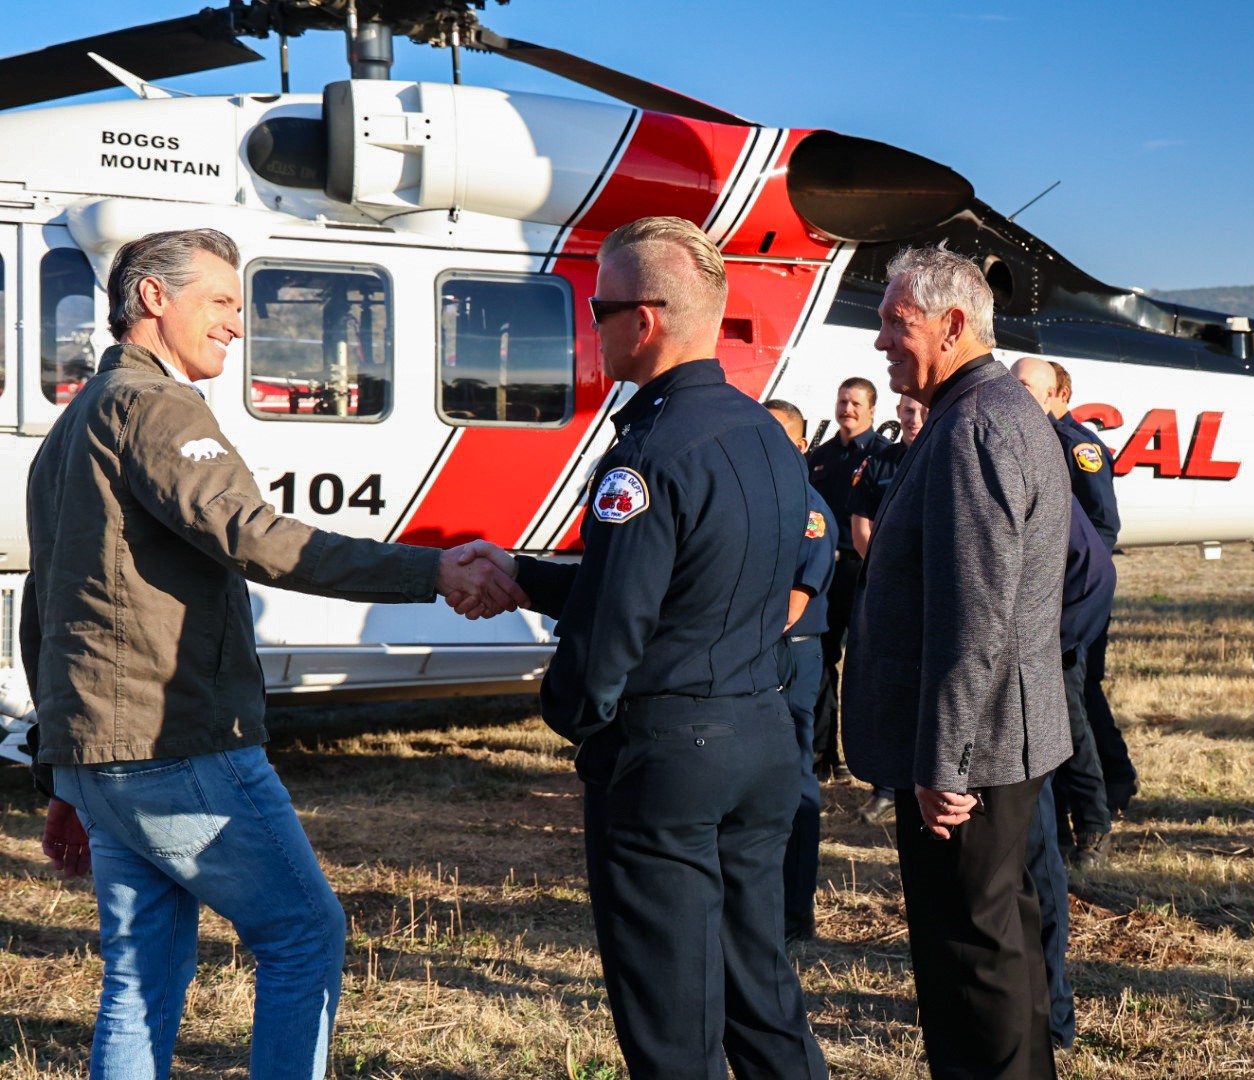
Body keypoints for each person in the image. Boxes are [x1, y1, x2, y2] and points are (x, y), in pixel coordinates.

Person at [20, 228, 520, 1079]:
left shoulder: (76, 422)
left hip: (105, 753)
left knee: (142, 975)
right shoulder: (154, 407)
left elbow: (47, 603)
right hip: (174, 740)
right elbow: (255, 535)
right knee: (302, 936)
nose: (236, 325)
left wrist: (64, 766)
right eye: (220, 301)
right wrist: (430, 569)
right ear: (153, 299)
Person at [460, 217, 827, 1079]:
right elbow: (686, 581)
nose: (592, 325)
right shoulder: (767, 438)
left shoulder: (647, 454)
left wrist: (577, 718)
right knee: (761, 1000)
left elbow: (613, 628)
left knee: (671, 1026)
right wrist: (523, 572)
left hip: (669, 758)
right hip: (762, 737)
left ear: (646, 319)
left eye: (599, 307)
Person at [843, 247, 1072, 1080]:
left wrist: (943, 762)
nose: (879, 345)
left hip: (971, 750)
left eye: (892, 324)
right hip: (997, 736)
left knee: (969, 956)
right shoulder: (985, 409)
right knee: (998, 939)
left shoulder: (974, 423)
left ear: (950, 324)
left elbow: (974, 615)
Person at [1013, 356, 1137, 819]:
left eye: (1028, 386)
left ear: (1056, 395)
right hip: (1045, 598)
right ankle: (1110, 782)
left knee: (1078, 695)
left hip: (1075, 594)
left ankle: (1101, 799)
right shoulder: (1029, 441)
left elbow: (1102, 526)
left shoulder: (1076, 446)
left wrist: (1063, 584)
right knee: (1075, 697)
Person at [1026, 498, 1117, 1050]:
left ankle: (1051, 1015)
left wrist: (1047, 649)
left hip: (1015, 699)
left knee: (1035, 859)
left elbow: (1094, 567)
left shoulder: (1020, 444)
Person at [765, 398, 838, 946]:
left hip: (790, 651)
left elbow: (794, 599)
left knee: (793, 779)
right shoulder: (758, 497)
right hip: (760, 651)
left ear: (800, 445)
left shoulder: (809, 509)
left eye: (775, 435)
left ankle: (795, 911)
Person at [847, 394, 927, 826]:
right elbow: (862, 527)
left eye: (920, 410)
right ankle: (885, 786)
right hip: (884, 589)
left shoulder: (944, 454)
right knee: (883, 684)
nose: (913, 418)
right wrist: (887, 574)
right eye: (907, 411)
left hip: (930, 595)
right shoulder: (879, 461)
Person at [806, 376, 880, 781]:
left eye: (855, 403)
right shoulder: (820, 457)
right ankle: (824, 754)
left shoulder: (883, 456)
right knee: (821, 662)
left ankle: (861, 758)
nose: (847, 409)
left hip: (864, 570)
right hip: (824, 573)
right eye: (842, 401)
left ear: (871, 409)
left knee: (865, 668)